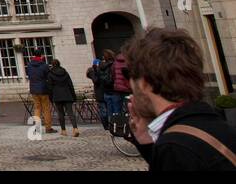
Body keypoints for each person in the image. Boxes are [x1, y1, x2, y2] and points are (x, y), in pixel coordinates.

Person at [123, 28, 236, 171]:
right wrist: (147, 143)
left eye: (131, 77)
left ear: (144, 83)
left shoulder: (176, 147)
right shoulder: (216, 124)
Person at [48, 57, 80, 137]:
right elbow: (70, 85)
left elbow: (50, 87)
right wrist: (73, 96)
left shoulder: (50, 74)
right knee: (70, 113)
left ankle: (63, 130)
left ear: (52, 65)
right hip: (67, 94)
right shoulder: (65, 72)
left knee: (60, 113)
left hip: (57, 95)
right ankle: (75, 128)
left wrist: (51, 98)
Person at [26, 50, 53, 134]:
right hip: (43, 89)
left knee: (37, 108)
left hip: (34, 89)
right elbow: (48, 76)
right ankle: (48, 127)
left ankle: (37, 128)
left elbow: (29, 75)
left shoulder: (29, 65)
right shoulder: (44, 65)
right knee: (46, 108)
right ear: (41, 56)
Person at [86, 53, 111, 130]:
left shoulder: (103, 71)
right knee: (104, 111)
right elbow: (96, 81)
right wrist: (97, 72)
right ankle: (106, 126)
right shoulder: (93, 73)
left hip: (106, 92)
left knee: (108, 110)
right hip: (100, 94)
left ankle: (110, 124)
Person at [106, 49, 131, 120]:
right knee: (128, 107)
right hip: (127, 88)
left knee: (117, 109)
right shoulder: (129, 62)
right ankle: (128, 123)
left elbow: (113, 75)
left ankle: (118, 125)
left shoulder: (115, 63)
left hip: (117, 89)